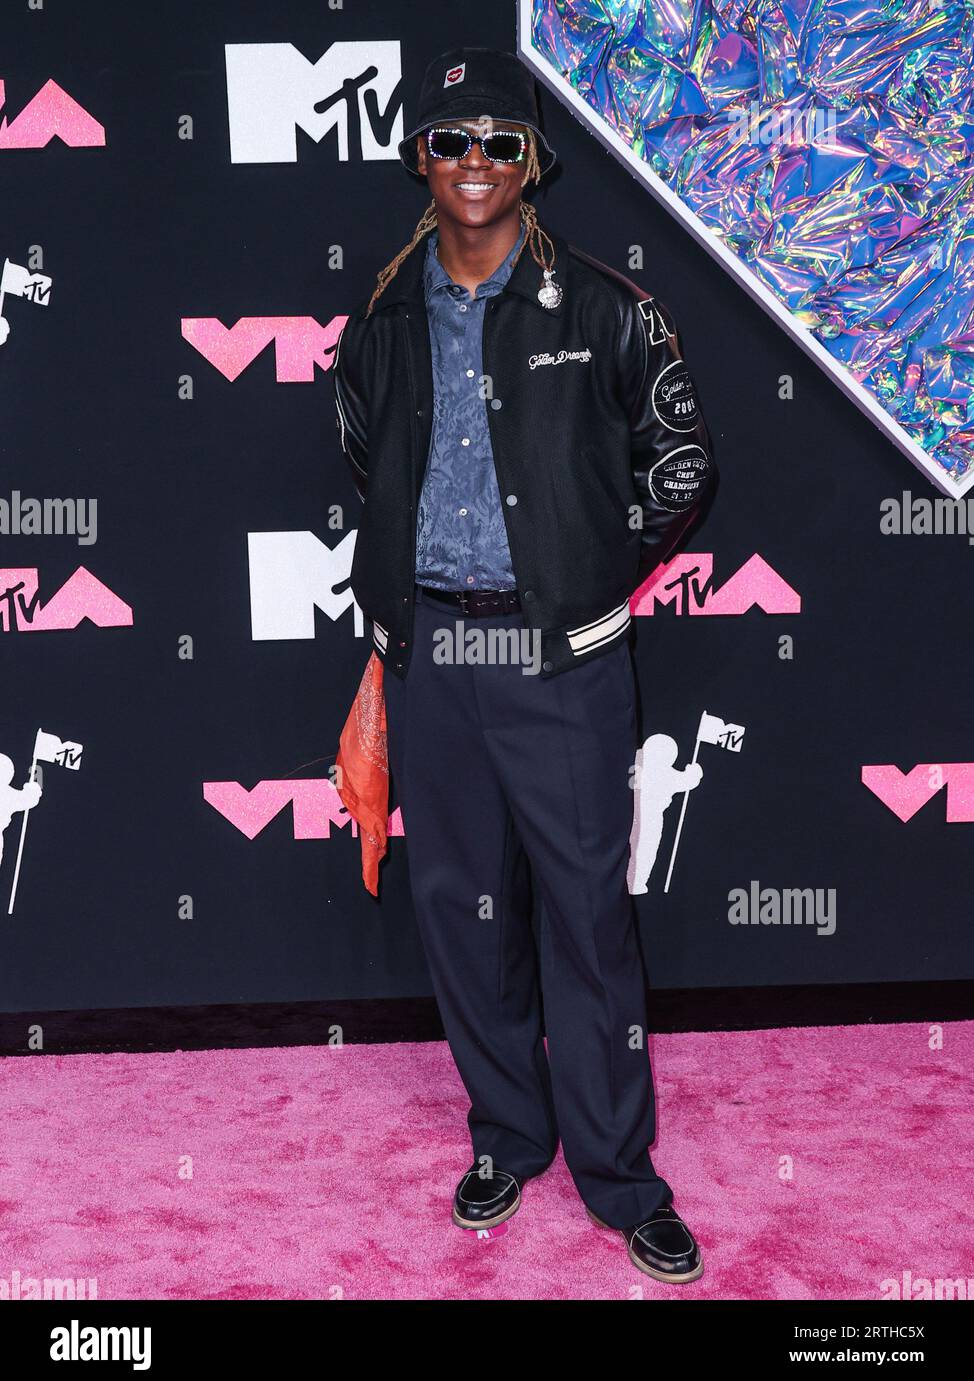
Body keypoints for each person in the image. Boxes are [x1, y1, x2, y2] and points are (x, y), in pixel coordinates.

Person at [332, 46, 717, 1284]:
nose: (476, 162)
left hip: (560, 659)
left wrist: (578, 567)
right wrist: (413, 588)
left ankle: (620, 1176)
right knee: (457, 910)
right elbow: (361, 450)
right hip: (435, 651)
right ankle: (507, 1129)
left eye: (501, 140)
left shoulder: (604, 305)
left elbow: (681, 463)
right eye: (451, 139)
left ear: (534, 160)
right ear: (421, 160)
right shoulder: (384, 315)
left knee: (588, 923)